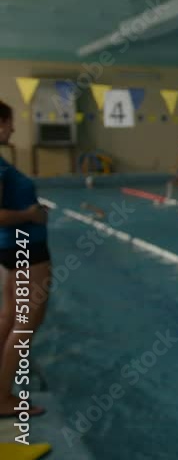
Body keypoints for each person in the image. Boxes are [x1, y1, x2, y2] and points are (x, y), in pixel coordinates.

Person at [0, 99, 50, 417]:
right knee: (26, 324)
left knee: (9, 318)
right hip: (26, 247)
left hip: (13, 245)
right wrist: (28, 214)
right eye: (9, 122)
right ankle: (3, 399)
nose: (14, 128)